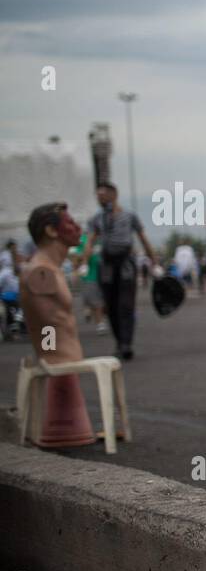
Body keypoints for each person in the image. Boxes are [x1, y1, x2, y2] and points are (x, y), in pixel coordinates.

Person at [19, 203, 98, 447]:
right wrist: (51, 355)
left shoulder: (49, 269)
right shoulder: (42, 272)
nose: (76, 227)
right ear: (52, 231)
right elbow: (47, 326)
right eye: (70, 223)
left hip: (62, 356)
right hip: (59, 358)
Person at [88, 181, 158, 360]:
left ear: (113, 195)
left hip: (126, 263)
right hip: (107, 265)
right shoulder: (97, 218)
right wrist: (82, 261)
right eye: (98, 196)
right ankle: (119, 341)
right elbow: (90, 240)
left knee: (125, 305)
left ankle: (126, 343)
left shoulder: (129, 216)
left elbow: (142, 237)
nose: (100, 199)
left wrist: (154, 260)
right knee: (110, 306)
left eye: (102, 195)